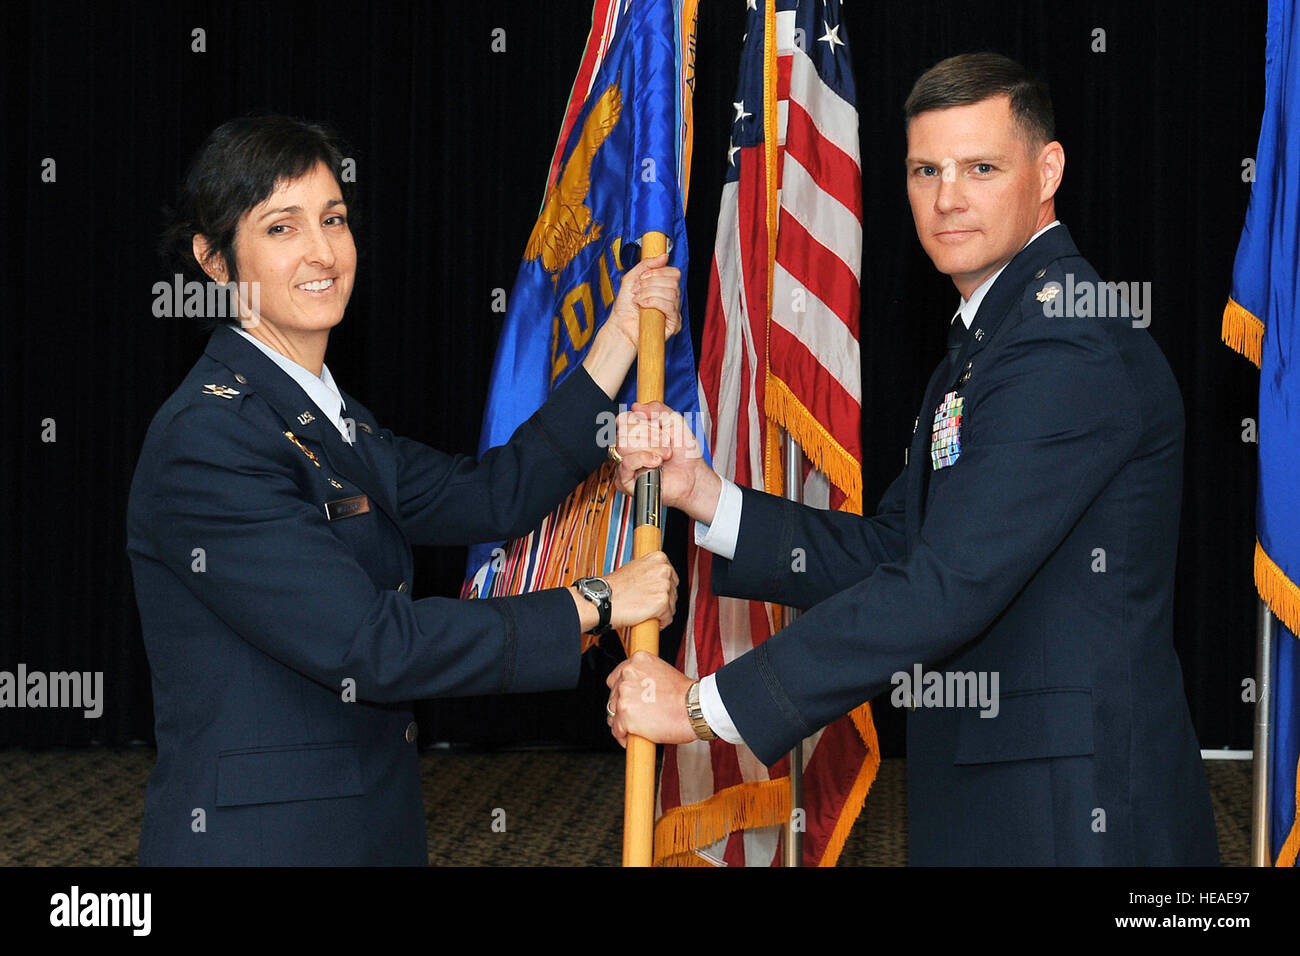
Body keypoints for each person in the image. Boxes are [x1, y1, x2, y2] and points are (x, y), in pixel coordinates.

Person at [605, 53, 1219, 865]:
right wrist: (705, 495)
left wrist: (704, 708)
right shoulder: (991, 337)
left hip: (1072, 809)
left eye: (981, 168)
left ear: (1048, 170)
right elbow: (897, 550)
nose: (947, 198)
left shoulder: (1064, 341)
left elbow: (945, 586)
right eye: (926, 169)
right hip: (1004, 787)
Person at [128, 115, 680, 865]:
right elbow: (375, 646)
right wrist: (601, 599)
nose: (322, 252)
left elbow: (492, 496)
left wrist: (617, 336)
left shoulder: (328, 416)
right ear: (215, 262)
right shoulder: (209, 439)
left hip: (366, 826)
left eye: (333, 219)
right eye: (282, 228)